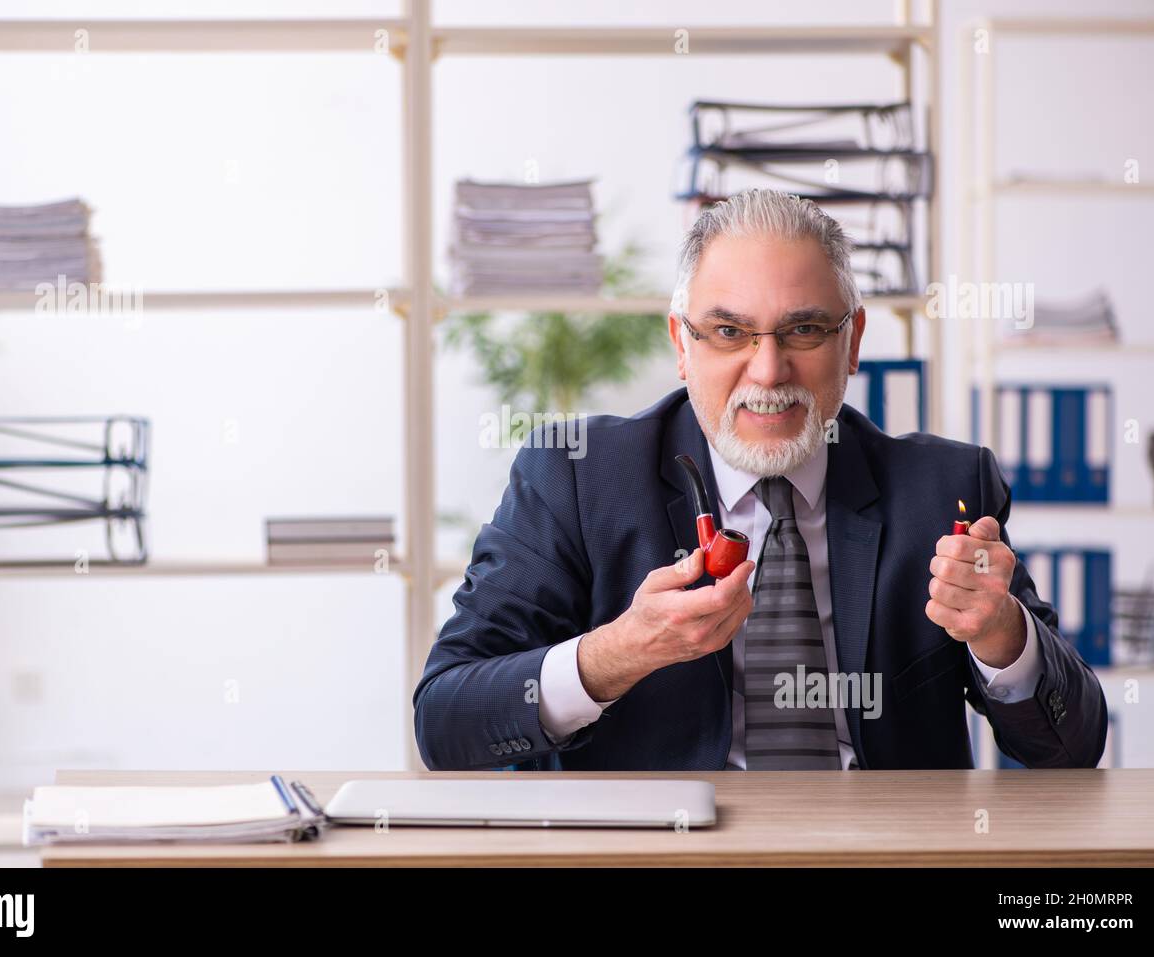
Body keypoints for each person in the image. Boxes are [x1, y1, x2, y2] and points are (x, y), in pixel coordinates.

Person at [414, 188, 1107, 771]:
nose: (769, 370)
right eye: (727, 331)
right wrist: (616, 653)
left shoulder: (944, 486)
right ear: (681, 345)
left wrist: (1003, 639)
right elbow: (445, 718)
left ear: (853, 341)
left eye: (803, 329)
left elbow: (1072, 747)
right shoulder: (574, 478)